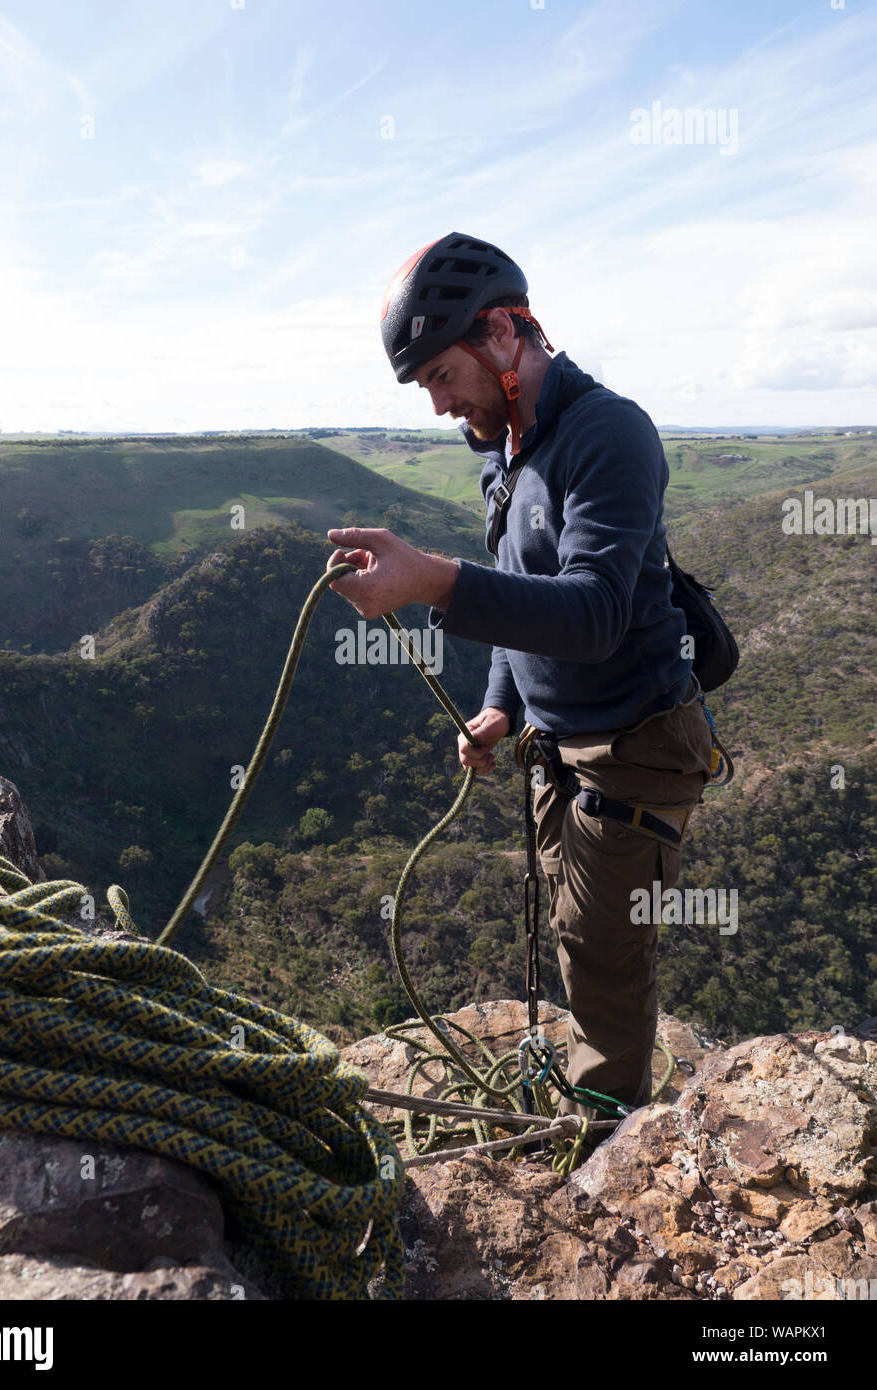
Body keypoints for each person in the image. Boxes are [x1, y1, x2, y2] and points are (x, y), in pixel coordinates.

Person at [327, 231, 713, 1150]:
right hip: (561, 736)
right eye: (423, 385)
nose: (436, 404)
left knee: (600, 951)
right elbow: (519, 591)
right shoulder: (503, 446)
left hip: (635, 742)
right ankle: (600, 1103)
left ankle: (609, 1141)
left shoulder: (606, 433)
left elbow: (592, 617)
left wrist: (432, 582)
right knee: (573, 924)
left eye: (439, 376)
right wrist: (501, 702)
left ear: (503, 332)